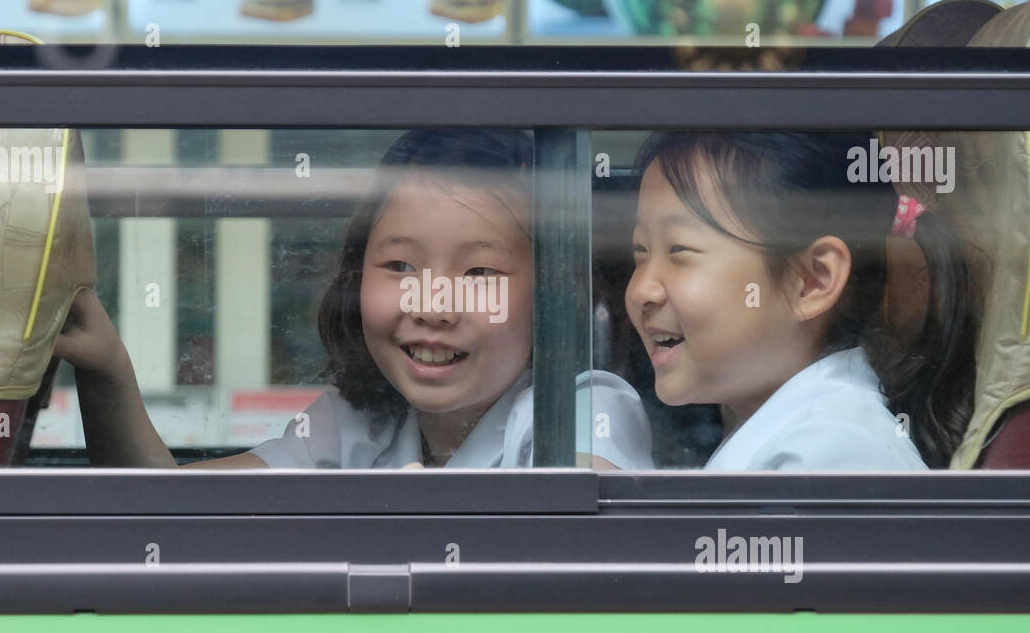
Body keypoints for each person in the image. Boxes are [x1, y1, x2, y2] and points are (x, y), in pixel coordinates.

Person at [57, 129, 653, 469]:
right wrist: (109, 370)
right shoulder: (352, 428)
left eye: (478, 273)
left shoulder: (580, 410)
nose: (433, 305)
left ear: (553, 295)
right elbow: (173, 517)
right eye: (398, 265)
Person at [625, 131, 977, 471]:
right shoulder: (804, 439)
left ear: (812, 280)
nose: (641, 290)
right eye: (640, 252)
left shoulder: (828, 456)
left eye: (679, 250)